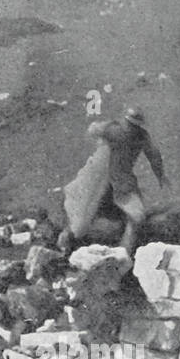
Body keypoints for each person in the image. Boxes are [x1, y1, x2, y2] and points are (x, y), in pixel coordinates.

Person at [58, 107, 167, 256]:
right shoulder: (116, 130)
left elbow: (153, 155)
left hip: (121, 182)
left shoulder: (137, 135)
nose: (130, 128)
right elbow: (93, 130)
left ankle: (122, 254)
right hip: (100, 180)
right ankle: (66, 243)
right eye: (129, 124)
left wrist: (160, 175)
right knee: (79, 217)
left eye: (133, 125)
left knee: (136, 217)